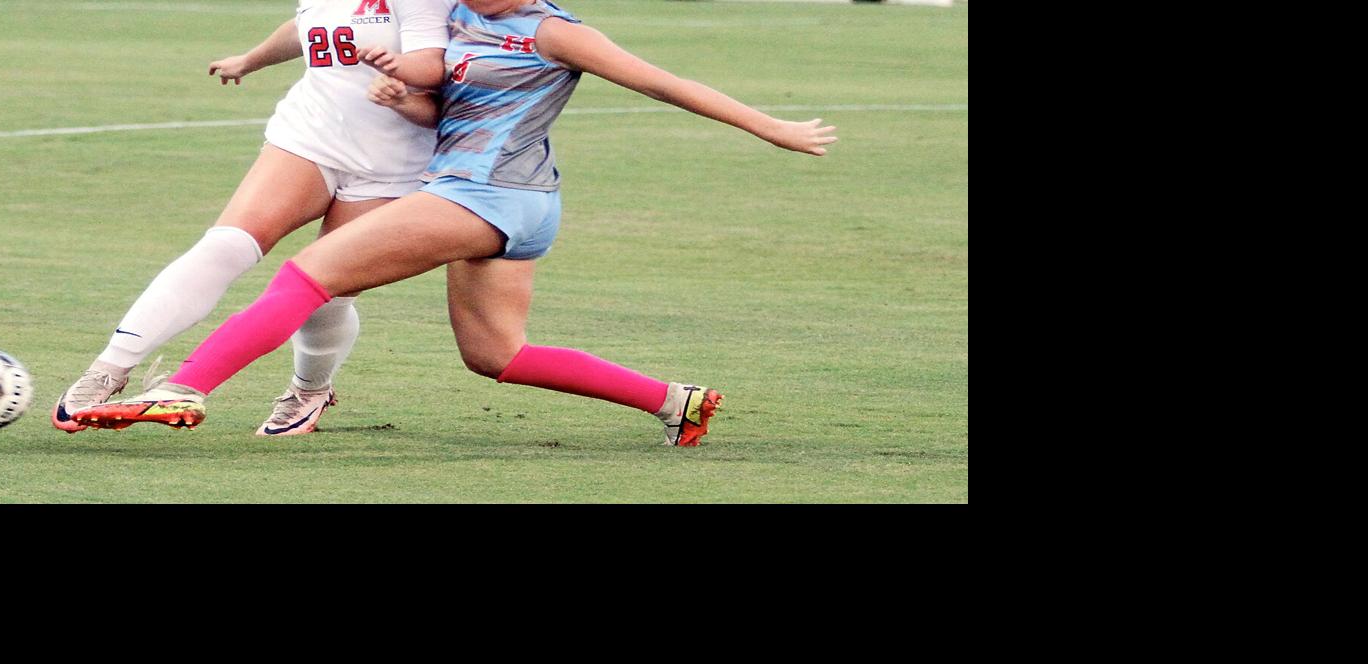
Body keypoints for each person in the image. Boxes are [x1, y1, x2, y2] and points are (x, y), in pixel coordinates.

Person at [74, 0, 836, 446]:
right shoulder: (457, 17)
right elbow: (393, 64)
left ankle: (183, 387)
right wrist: (400, 91)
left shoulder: (555, 31)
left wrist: (771, 127)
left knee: (310, 273)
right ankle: (677, 401)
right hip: (510, 201)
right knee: (495, 355)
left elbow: (668, 83)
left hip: (489, 198)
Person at [51, 0, 456, 437]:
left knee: (328, 289)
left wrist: (397, 71)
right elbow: (307, 26)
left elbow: (432, 64)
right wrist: (251, 60)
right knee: (226, 245)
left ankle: (310, 389)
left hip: (396, 159)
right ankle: (108, 368)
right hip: (309, 136)